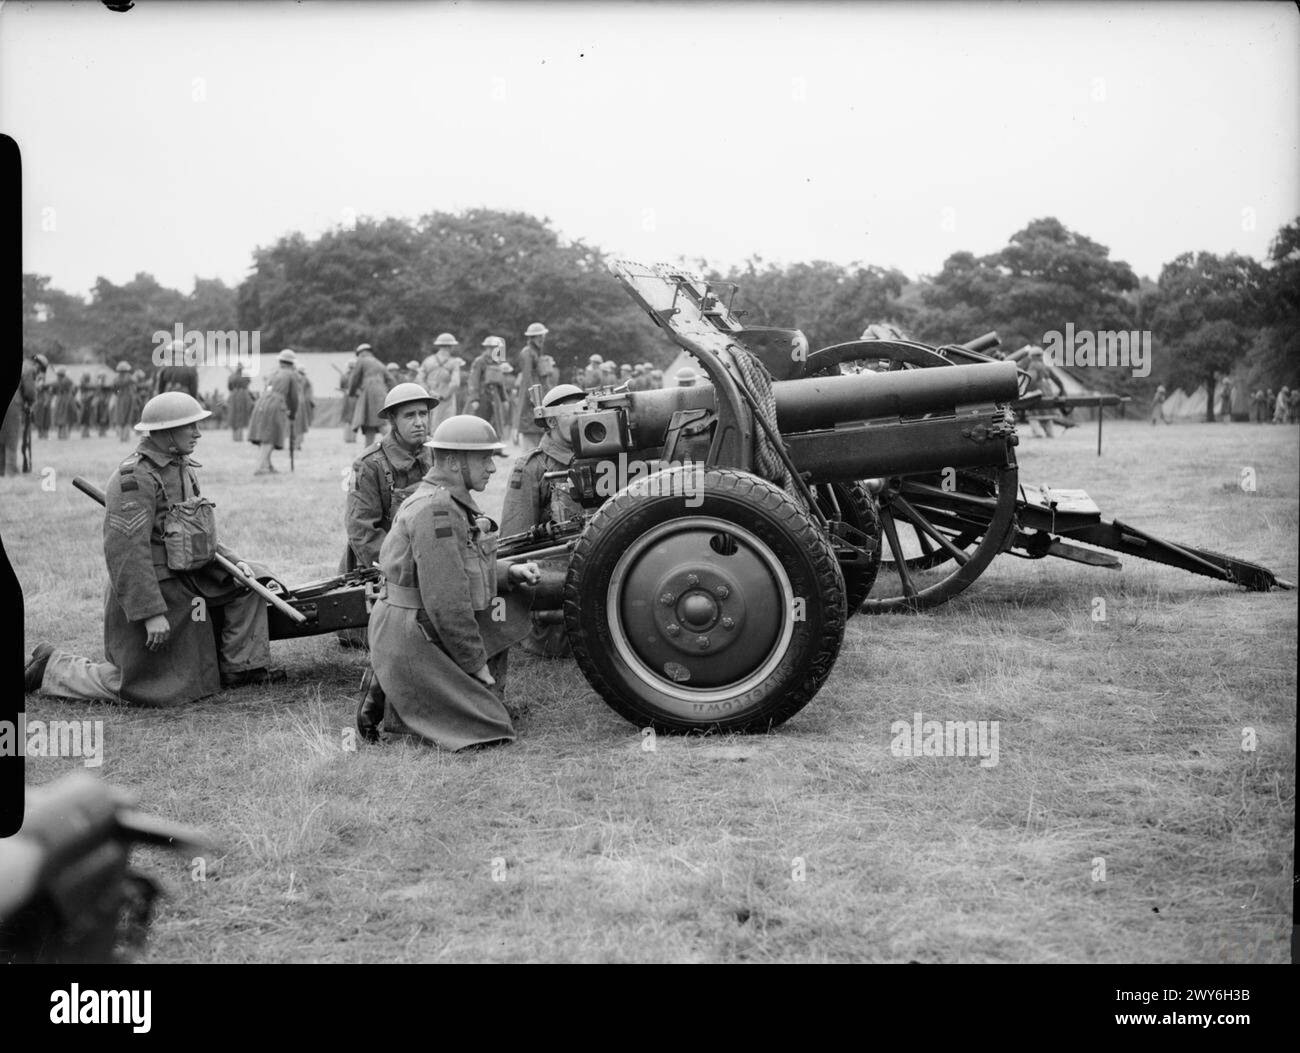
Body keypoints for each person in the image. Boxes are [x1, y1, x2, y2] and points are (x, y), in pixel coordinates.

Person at [23, 392, 284, 706]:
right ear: (166, 432)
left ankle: (240, 669)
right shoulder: (133, 479)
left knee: (253, 580)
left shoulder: (182, 468)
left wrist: (235, 562)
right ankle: (51, 667)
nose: (198, 433)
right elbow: (126, 555)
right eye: (190, 427)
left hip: (190, 576)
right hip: (158, 590)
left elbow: (195, 531)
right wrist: (151, 614)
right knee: (147, 688)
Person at [360, 415, 540, 749]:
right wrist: (476, 665)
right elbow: (446, 601)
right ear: (455, 462)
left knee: (507, 610)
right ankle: (390, 694)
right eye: (484, 459)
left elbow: (463, 566)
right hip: (412, 630)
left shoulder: (444, 500)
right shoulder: (436, 511)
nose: (491, 468)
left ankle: (397, 689)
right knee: (492, 730)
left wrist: (508, 572)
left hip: (414, 620)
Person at [336, 383, 439, 649]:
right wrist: (404, 569)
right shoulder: (370, 464)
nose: (419, 422)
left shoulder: (436, 454)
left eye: (423, 414)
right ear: (392, 420)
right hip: (380, 569)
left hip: (430, 558)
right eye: (409, 415)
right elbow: (362, 531)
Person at [501, 384, 588, 658]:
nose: (582, 418)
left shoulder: (596, 459)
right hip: (552, 597)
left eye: (585, 411)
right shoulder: (532, 467)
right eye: (573, 412)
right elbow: (513, 546)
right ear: (551, 421)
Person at [246, 349, 301, 474]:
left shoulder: (272, 373)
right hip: (275, 405)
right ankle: (261, 467)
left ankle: (267, 465)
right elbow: (293, 397)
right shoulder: (292, 375)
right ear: (292, 363)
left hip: (262, 402)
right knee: (270, 437)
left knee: (265, 435)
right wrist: (293, 413)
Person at [1, 352, 43, 476]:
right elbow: (30, 391)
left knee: (2, 437)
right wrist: (31, 402)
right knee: (11, 437)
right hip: (13, 404)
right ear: (38, 365)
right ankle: (11, 470)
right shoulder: (29, 368)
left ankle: (1, 470)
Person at [347, 343, 393, 445]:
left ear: (361, 353)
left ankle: (395, 446)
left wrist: (351, 392)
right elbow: (391, 380)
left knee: (379, 423)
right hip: (382, 394)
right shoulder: (380, 363)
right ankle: (368, 450)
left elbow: (355, 378)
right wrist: (391, 393)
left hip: (368, 394)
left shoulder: (362, 360)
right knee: (370, 423)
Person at [513, 322, 547, 451]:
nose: (541, 338)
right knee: (530, 444)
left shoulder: (536, 353)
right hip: (531, 401)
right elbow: (527, 380)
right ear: (531, 338)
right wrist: (536, 400)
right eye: (537, 336)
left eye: (542, 336)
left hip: (537, 399)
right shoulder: (527, 353)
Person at [467, 336, 510, 437]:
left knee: (496, 421)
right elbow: (474, 380)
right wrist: (474, 399)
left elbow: (501, 383)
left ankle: (496, 448)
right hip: (482, 396)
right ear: (486, 348)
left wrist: (504, 399)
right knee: (481, 422)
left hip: (495, 397)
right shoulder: (479, 361)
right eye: (490, 348)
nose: (493, 350)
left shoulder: (497, 362)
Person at [420, 333, 461, 429]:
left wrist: (430, 392)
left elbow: (420, 379)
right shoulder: (454, 362)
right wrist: (442, 395)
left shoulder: (428, 361)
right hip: (446, 401)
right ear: (450, 347)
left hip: (429, 399)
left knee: (427, 426)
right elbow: (455, 383)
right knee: (446, 426)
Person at [227, 362, 253, 442]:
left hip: (234, 395)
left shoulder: (231, 376)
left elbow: (229, 387)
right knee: (240, 417)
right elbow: (248, 383)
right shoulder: (245, 376)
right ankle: (239, 437)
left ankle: (236, 438)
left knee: (235, 417)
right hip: (242, 396)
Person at [111, 361, 137, 441]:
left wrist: (118, 393)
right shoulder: (130, 378)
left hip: (120, 398)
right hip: (129, 398)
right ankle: (126, 436)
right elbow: (135, 388)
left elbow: (114, 390)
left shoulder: (116, 379)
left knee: (120, 417)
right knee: (128, 417)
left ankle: (122, 437)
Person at [338, 350, 359, 444]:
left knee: (348, 419)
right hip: (354, 398)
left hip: (346, 398)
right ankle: (352, 438)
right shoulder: (357, 376)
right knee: (353, 418)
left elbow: (341, 387)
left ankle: (347, 438)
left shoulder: (344, 376)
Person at [52, 366, 77, 440]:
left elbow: (53, 391)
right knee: (64, 417)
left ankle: (61, 434)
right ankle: (64, 434)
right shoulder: (67, 380)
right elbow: (75, 389)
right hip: (67, 399)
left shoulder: (60, 381)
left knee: (62, 416)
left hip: (61, 399)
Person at [292, 367, 314, 451]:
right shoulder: (305, 380)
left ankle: (295, 444)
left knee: (295, 425)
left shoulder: (294, 377)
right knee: (300, 425)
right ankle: (297, 444)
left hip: (295, 402)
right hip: (302, 403)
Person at [77, 373, 96, 438]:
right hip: (84, 403)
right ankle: (83, 433)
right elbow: (86, 387)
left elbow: (93, 389)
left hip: (88, 403)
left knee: (87, 419)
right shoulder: (83, 385)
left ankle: (86, 433)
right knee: (83, 418)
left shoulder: (89, 385)